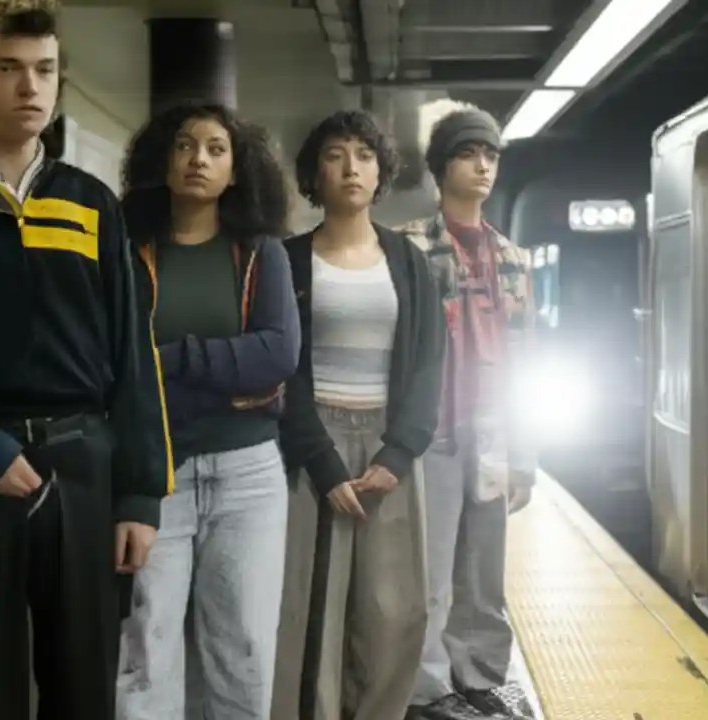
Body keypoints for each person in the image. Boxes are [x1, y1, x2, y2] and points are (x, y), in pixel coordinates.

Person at [0, 2, 173, 719]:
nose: (30, 86)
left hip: (82, 466)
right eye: (7, 68)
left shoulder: (90, 204)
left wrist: (139, 495)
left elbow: (132, 350)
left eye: (45, 70)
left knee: (84, 684)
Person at [115, 103, 300, 720]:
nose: (199, 159)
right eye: (185, 145)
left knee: (243, 648)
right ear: (162, 160)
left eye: (216, 149)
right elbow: (118, 362)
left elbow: (278, 354)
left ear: (236, 169)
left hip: (248, 473)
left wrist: (173, 359)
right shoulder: (129, 250)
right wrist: (221, 369)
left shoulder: (259, 253)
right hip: (155, 471)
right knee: (147, 646)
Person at [274, 109, 445, 720]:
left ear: (380, 174)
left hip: (386, 447)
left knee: (394, 609)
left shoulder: (409, 261)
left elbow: (429, 361)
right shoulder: (286, 260)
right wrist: (320, 462)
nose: (351, 167)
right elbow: (283, 368)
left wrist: (398, 453)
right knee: (307, 607)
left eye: (365, 156)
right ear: (314, 176)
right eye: (335, 155)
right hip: (310, 445)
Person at [402, 106, 538, 720]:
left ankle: (480, 676)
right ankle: (428, 690)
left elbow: (525, 359)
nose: (483, 165)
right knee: (429, 573)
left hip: (492, 432)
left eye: (490, 155)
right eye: (468, 153)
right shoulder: (407, 246)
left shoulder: (513, 258)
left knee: (484, 570)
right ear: (441, 168)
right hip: (431, 429)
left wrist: (524, 456)